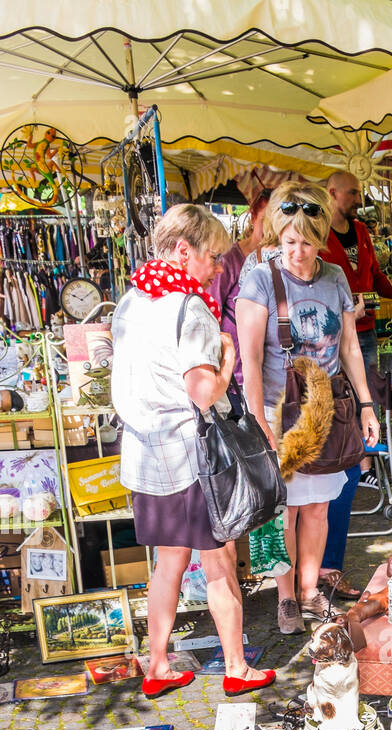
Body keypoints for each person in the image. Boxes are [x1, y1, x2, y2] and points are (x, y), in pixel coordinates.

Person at [111, 204, 276, 699]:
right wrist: (227, 358)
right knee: (219, 559)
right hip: (190, 453)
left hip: (143, 450)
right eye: (213, 256)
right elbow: (203, 391)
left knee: (168, 561)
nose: (220, 266)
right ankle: (236, 667)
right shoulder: (189, 307)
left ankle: (157, 663)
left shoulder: (133, 299)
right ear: (183, 251)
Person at [236, 182, 380, 634]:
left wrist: (366, 405)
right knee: (285, 510)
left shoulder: (336, 276)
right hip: (280, 411)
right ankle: (285, 598)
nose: (298, 252)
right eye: (289, 241)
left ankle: (309, 588)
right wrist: (259, 420)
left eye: (308, 241)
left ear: (321, 238)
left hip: (327, 410)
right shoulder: (260, 277)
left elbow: (351, 347)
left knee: (318, 507)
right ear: (278, 236)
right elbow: (251, 359)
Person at [319, 172, 392, 600]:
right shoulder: (319, 242)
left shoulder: (362, 232)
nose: (359, 199)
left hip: (363, 330)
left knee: (359, 403)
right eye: (352, 193)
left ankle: (363, 461)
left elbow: (376, 273)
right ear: (332, 194)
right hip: (328, 351)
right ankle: (310, 576)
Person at [210, 190, 270, 385]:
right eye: (265, 220)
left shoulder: (284, 260)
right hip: (239, 373)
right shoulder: (230, 259)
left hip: (271, 369)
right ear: (253, 217)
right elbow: (212, 311)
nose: (271, 229)